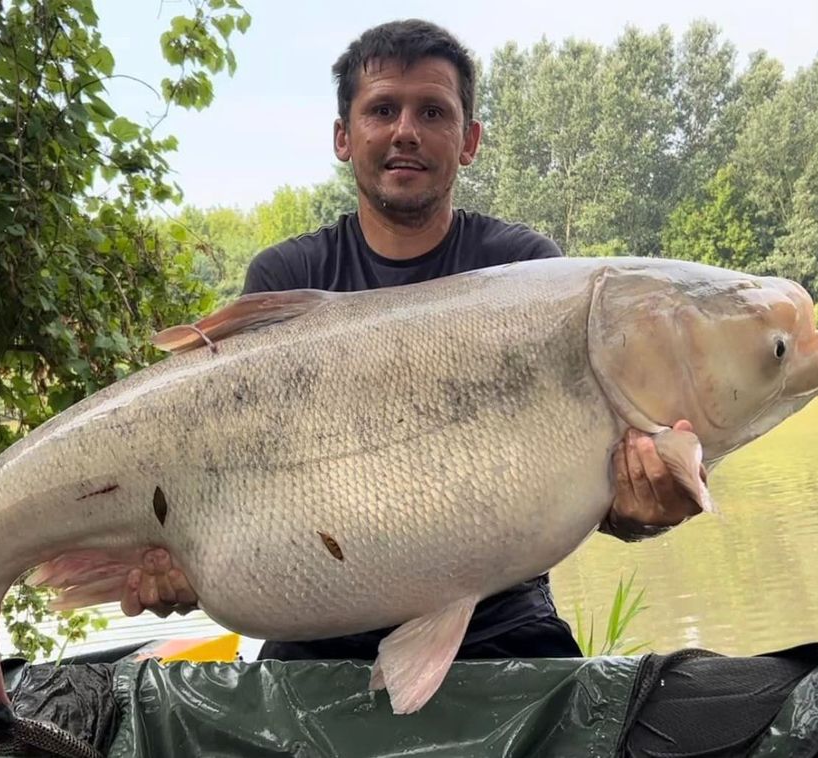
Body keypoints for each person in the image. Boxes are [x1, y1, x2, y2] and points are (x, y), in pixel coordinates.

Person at [121, 19, 702, 661]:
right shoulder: (287, 277)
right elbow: (226, 483)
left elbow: (591, 486)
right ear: (344, 137)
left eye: (432, 111)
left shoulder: (526, 274)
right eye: (381, 110)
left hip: (499, 619)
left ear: (469, 139)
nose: (406, 131)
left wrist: (642, 509)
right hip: (317, 627)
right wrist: (185, 556)